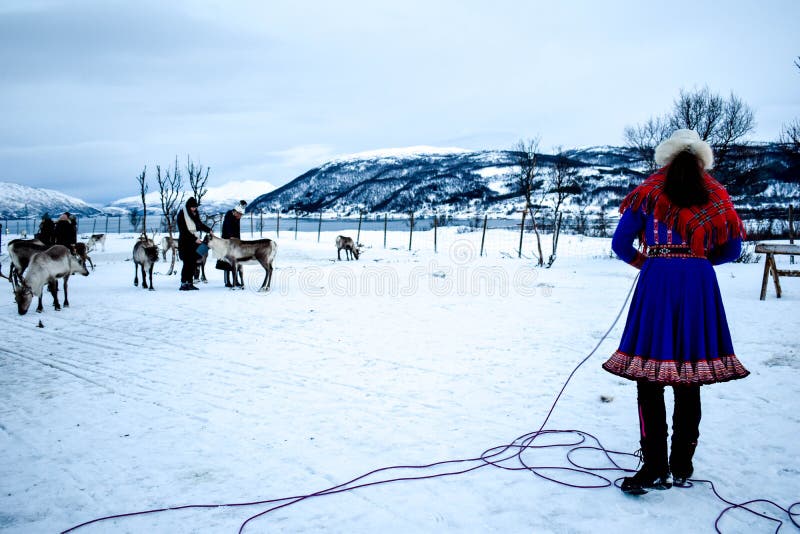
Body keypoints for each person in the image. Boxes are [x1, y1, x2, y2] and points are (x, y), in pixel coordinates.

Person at [601, 129, 749, 495]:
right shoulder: (715, 195)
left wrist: (647, 263)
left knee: (648, 375)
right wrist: (697, 262)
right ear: (702, 160)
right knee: (690, 373)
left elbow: (620, 243)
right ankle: (682, 464)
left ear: (665, 158)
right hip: (698, 285)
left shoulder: (648, 192)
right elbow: (732, 249)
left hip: (657, 282)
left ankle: (653, 467)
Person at [177, 197, 211, 291]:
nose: (194, 209)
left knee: (193, 263)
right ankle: (184, 284)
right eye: (192, 207)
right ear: (188, 206)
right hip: (185, 242)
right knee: (187, 263)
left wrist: (209, 230)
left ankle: (190, 283)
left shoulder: (194, 214)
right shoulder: (182, 214)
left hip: (194, 241)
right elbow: (183, 230)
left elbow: (199, 224)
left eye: (195, 207)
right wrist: (193, 239)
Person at [219, 200, 247, 287]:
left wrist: (239, 241)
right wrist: (231, 237)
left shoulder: (237, 217)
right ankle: (227, 281)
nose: (240, 217)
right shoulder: (228, 215)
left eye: (241, 216)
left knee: (236, 261)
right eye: (240, 215)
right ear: (236, 212)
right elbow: (227, 228)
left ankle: (236, 280)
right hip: (226, 241)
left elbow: (237, 231)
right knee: (227, 262)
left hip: (235, 242)